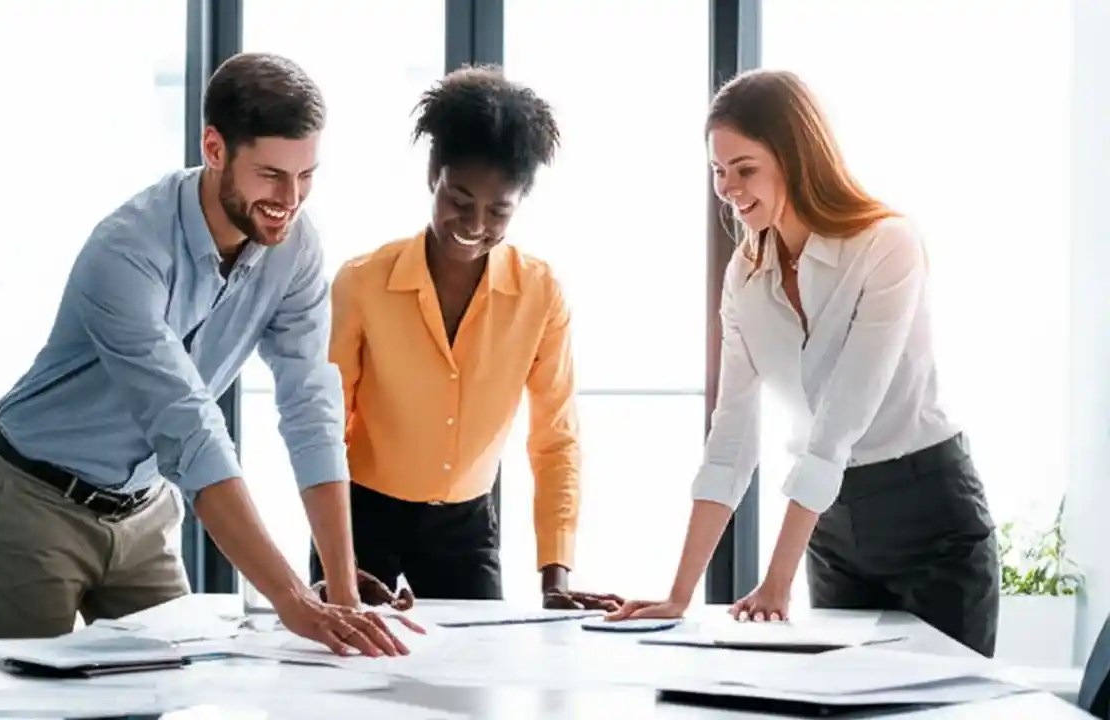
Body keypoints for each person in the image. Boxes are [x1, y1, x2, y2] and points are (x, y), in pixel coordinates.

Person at [0, 52, 417, 657]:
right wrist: (291, 598)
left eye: (306, 175)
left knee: (176, 685)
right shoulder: (127, 251)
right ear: (214, 148)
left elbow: (312, 406)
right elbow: (189, 427)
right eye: (271, 175)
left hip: (144, 510)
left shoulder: (296, 250)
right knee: (33, 695)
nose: (290, 199)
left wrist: (343, 591)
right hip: (37, 498)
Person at [609, 69, 999, 657]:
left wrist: (777, 580)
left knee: (938, 701)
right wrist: (678, 596)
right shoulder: (744, 277)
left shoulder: (887, 244)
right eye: (718, 170)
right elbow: (730, 442)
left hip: (928, 519)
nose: (728, 188)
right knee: (834, 700)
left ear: (795, 157)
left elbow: (839, 422)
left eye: (745, 169)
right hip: (831, 530)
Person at [310, 65, 622, 611]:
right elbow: (323, 426)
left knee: (476, 665)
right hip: (358, 518)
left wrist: (556, 580)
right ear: (434, 174)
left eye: (498, 210)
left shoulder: (540, 294)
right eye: (459, 199)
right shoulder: (362, 282)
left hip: (465, 528)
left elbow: (555, 439)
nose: (475, 224)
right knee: (347, 657)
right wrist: (337, 562)